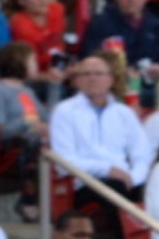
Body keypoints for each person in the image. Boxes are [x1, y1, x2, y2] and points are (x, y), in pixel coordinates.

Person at [51, 51, 152, 200]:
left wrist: (133, 178)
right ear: (77, 80)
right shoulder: (64, 111)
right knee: (116, 189)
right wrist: (106, 170)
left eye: (98, 74)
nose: (92, 78)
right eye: (86, 74)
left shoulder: (124, 113)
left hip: (125, 182)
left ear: (110, 80)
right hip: (84, 183)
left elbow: (142, 156)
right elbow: (63, 162)